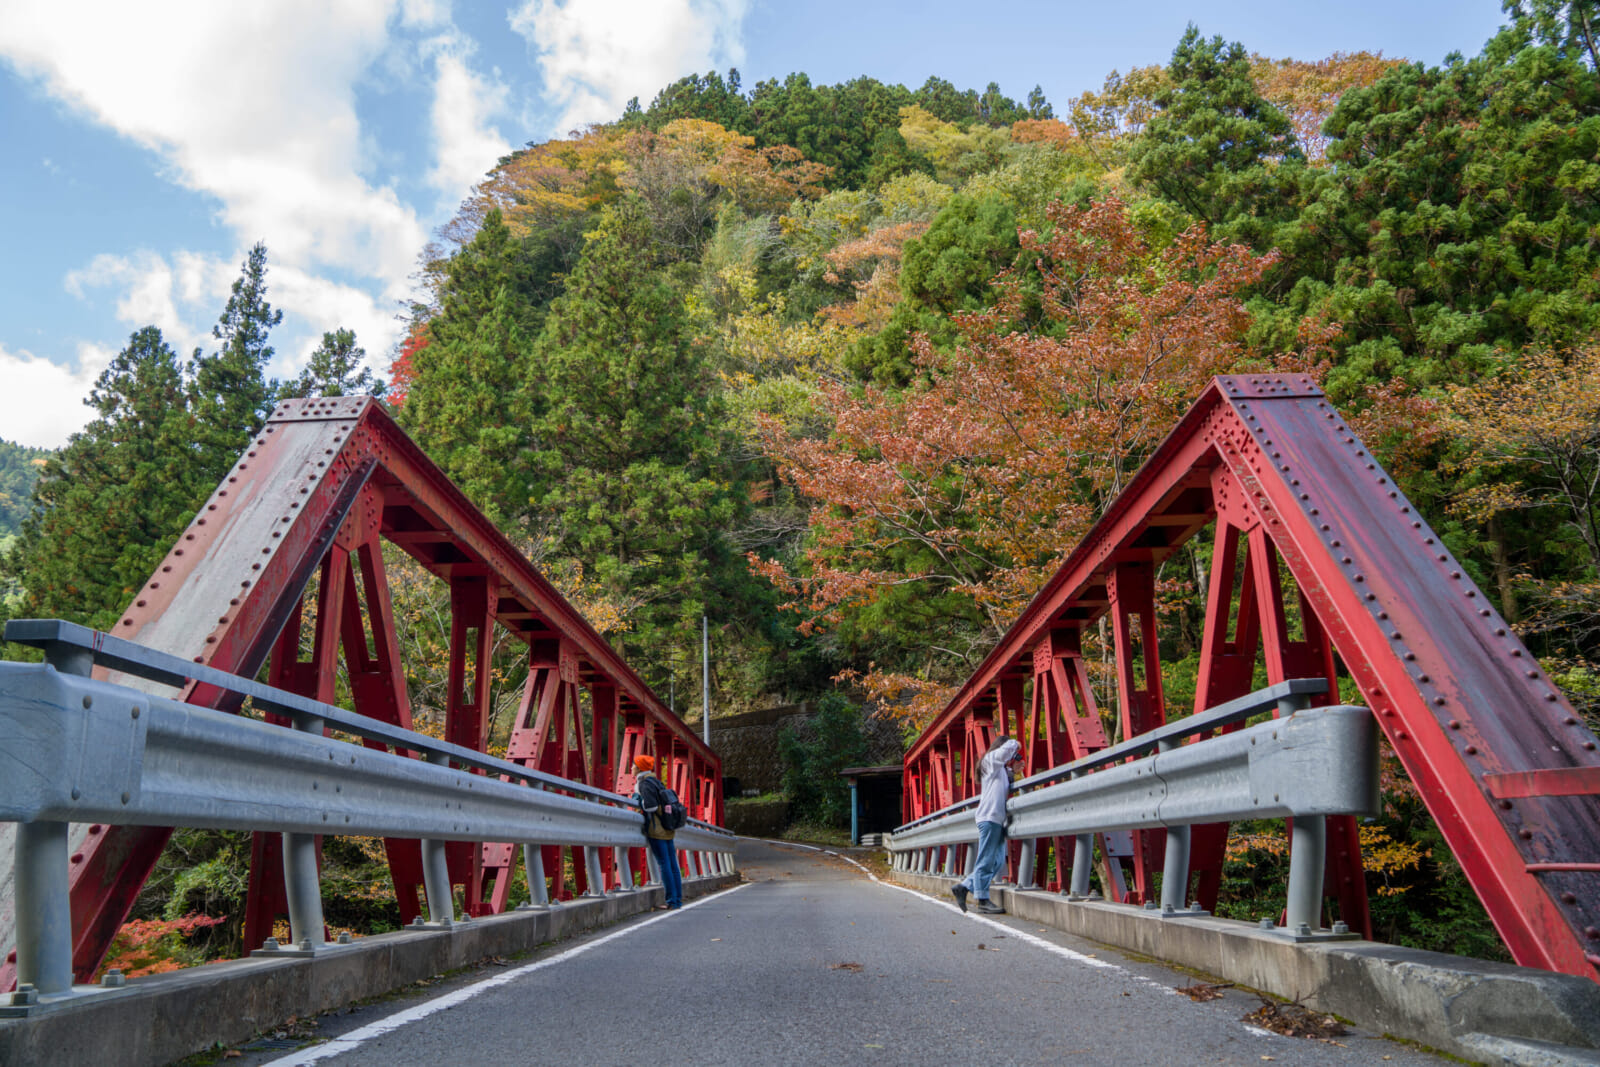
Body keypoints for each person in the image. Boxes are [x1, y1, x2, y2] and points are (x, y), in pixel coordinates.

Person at [951, 736, 1022, 915]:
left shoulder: (997, 768)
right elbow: (1004, 752)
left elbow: (1000, 784)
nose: (1013, 754)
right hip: (989, 817)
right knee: (986, 859)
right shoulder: (990, 760)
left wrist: (1012, 771)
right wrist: (1016, 743)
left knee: (997, 861)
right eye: (1012, 751)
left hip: (996, 819)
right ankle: (982, 900)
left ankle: (965, 886)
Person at [631, 754, 682, 909]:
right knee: (672, 864)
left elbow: (651, 806)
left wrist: (638, 800)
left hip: (656, 829)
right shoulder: (656, 781)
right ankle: (677, 900)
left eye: (634, 765)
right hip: (667, 827)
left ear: (639, 768)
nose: (631, 768)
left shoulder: (644, 783)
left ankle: (671, 901)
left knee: (664, 864)